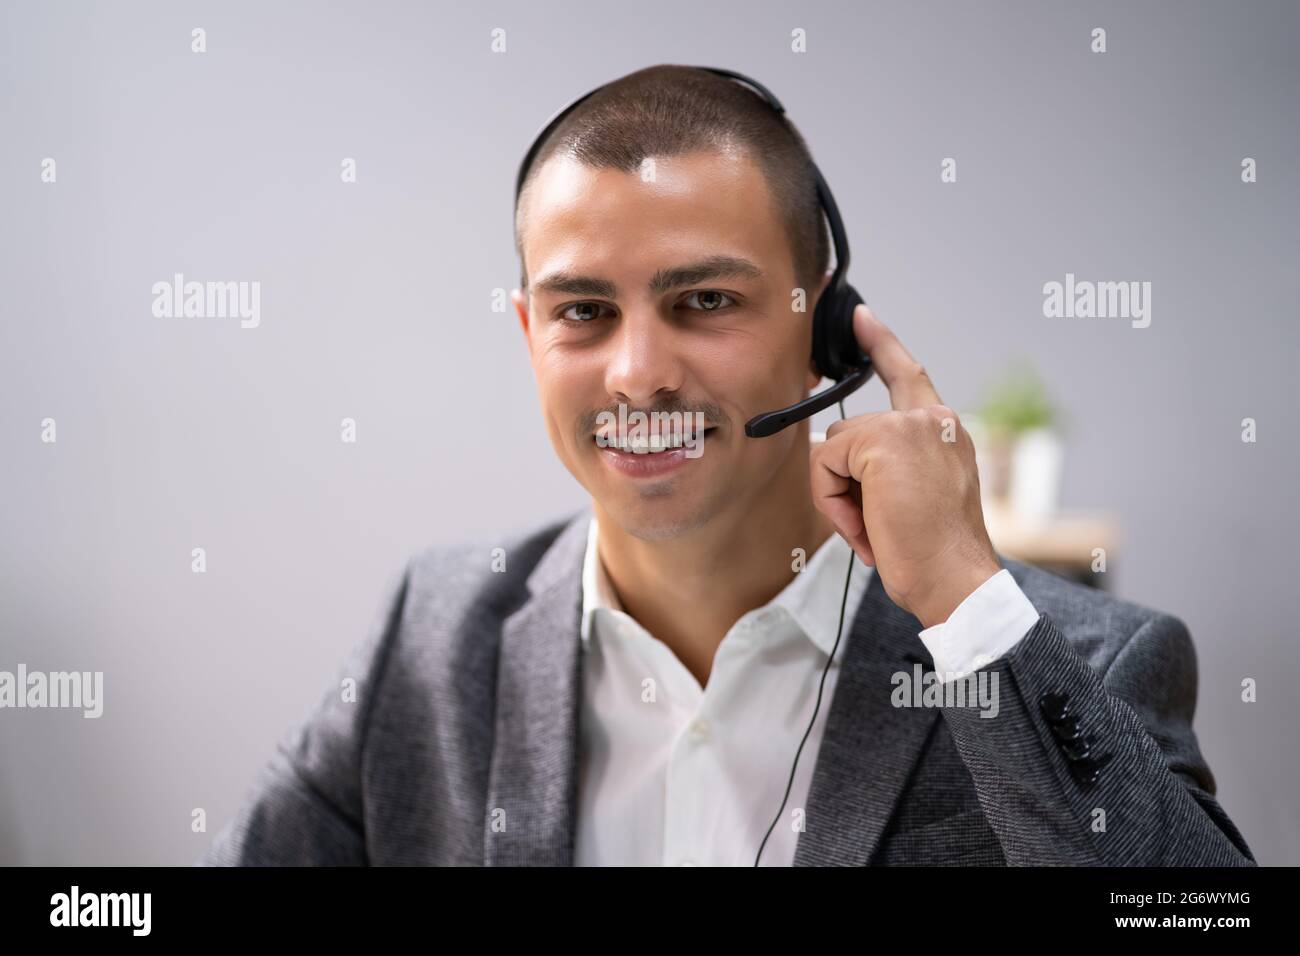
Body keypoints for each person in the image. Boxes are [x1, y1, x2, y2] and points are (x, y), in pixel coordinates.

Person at [200, 65, 1254, 866]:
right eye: (583, 311)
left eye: (704, 300)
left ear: (825, 326)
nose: (639, 372)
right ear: (529, 333)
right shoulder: (432, 634)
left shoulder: (1073, 659)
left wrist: (965, 609)